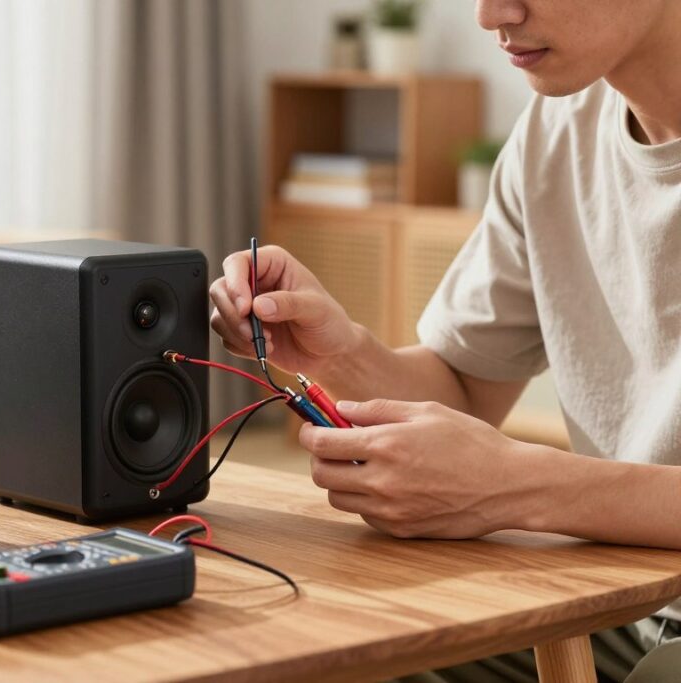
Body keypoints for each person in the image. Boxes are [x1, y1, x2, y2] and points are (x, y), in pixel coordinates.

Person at [209, 1, 681, 681]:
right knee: (328, 653)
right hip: (627, 600)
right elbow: (462, 388)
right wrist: (334, 351)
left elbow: (513, 479)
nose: (492, 14)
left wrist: (523, 486)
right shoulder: (553, 136)